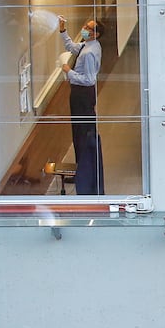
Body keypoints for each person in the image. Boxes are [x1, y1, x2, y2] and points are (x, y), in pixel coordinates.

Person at [58, 15, 104, 195]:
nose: (84, 28)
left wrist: (69, 72)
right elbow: (73, 47)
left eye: (89, 28)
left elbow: (89, 79)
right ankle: (80, 170)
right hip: (78, 93)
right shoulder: (87, 46)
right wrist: (63, 31)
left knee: (82, 133)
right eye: (85, 25)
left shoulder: (91, 52)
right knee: (77, 133)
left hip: (83, 94)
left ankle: (84, 172)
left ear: (96, 34)